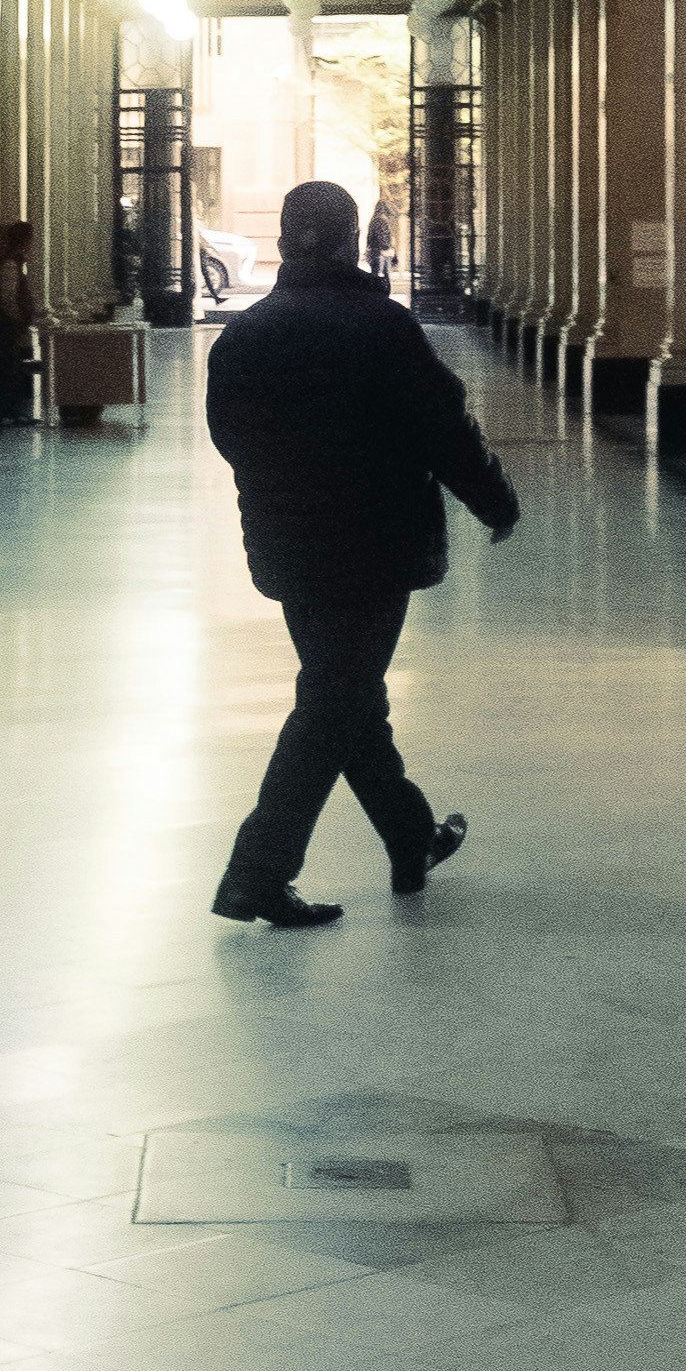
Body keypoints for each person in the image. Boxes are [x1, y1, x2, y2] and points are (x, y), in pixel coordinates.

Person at [205, 178, 519, 928]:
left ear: (283, 241)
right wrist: (493, 501)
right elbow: (442, 428)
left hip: (288, 545)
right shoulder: (381, 327)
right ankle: (257, 873)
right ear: (354, 241)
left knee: (346, 694)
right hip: (375, 544)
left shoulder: (243, 336)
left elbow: (229, 440)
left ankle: (411, 838)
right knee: (332, 703)